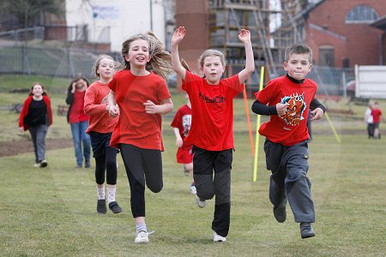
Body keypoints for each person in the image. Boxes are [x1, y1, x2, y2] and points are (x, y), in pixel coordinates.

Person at [171, 26, 255, 242]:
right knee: (206, 192)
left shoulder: (229, 86)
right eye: (208, 65)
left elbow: (249, 69)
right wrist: (175, 45)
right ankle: (200, 193)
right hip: (201, 148)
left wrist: (247, 44)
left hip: (224, 147)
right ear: (202, 69)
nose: (213, 68)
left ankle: (220, 232)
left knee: (224, 192)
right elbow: (177, 67)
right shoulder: (194, 84)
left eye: (216, 64)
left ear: (223, 68)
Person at [251, 43, 325, 239]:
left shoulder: (312, 86)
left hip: (298, 143)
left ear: (309, 67)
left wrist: (321, 109)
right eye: (294, 62)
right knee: (278, 179)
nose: (298, 66)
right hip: (275, 143)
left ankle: (306, 222)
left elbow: (312, 100)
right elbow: (256, 106)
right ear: (286, 65)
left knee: (298, 175)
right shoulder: (277, 84)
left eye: (303, 63)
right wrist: (274, 109)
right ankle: (279, 202)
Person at [107, 32, 174, 244]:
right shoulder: (119, 78)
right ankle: (141, 229)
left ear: (148, 56)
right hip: (127, 138)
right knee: (137, 183)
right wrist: (111, 105)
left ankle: (143, 225)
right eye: (136, 49)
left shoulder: (157, 81)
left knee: (155, 185)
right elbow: (111, 91)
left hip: (151, 139)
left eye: (144, 49)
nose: (140, 52)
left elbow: (169, 105)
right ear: (127, 56)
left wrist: (157, 108)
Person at [84, 54, 122, 214]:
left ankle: (112, 200)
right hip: (97, 132)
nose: (108, 68)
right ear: (98, 70)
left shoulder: (118, 86)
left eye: (111, 66)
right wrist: (105, 107)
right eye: (104, 65)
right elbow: (87, 108)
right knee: (100, 165)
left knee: (111, 163)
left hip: (114, 131)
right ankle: (101, 197)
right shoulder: (93, 88)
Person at [18, 83, 53, 168]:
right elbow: (23, 112)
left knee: (40, 140)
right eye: (35, 89)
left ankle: (42, 159)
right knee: (35, 142)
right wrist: (21, 125)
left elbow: (49, 111)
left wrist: (49, 122)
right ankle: (38, 161)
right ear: (32, 91)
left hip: (43, 124)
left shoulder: (46, 100)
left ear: (42, 91)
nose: (37, 90)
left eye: (39, 88)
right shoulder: (28, 100)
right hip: (32, 125)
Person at [170, 92, 196, 194]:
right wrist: (178, 138)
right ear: (186, 95)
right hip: (185, 143)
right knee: (190, 166)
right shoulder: (182, 110)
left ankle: (195, 185)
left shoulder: (200, 109)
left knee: (198, 165)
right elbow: (175, 125)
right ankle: (186, 168)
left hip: (197, 143)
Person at [66, 76, 91, 168]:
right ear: (75, 83)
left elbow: (91, 100)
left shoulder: (88, 91)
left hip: (85, 118)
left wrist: (86, 88)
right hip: (74, 119)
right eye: (78, 82)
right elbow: (68, 101)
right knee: (77, 141)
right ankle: (79, 162)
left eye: (82, 82)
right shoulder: (72, 92)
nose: (80, 84)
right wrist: (72, 90)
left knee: (86, 139)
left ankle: (87, 160)